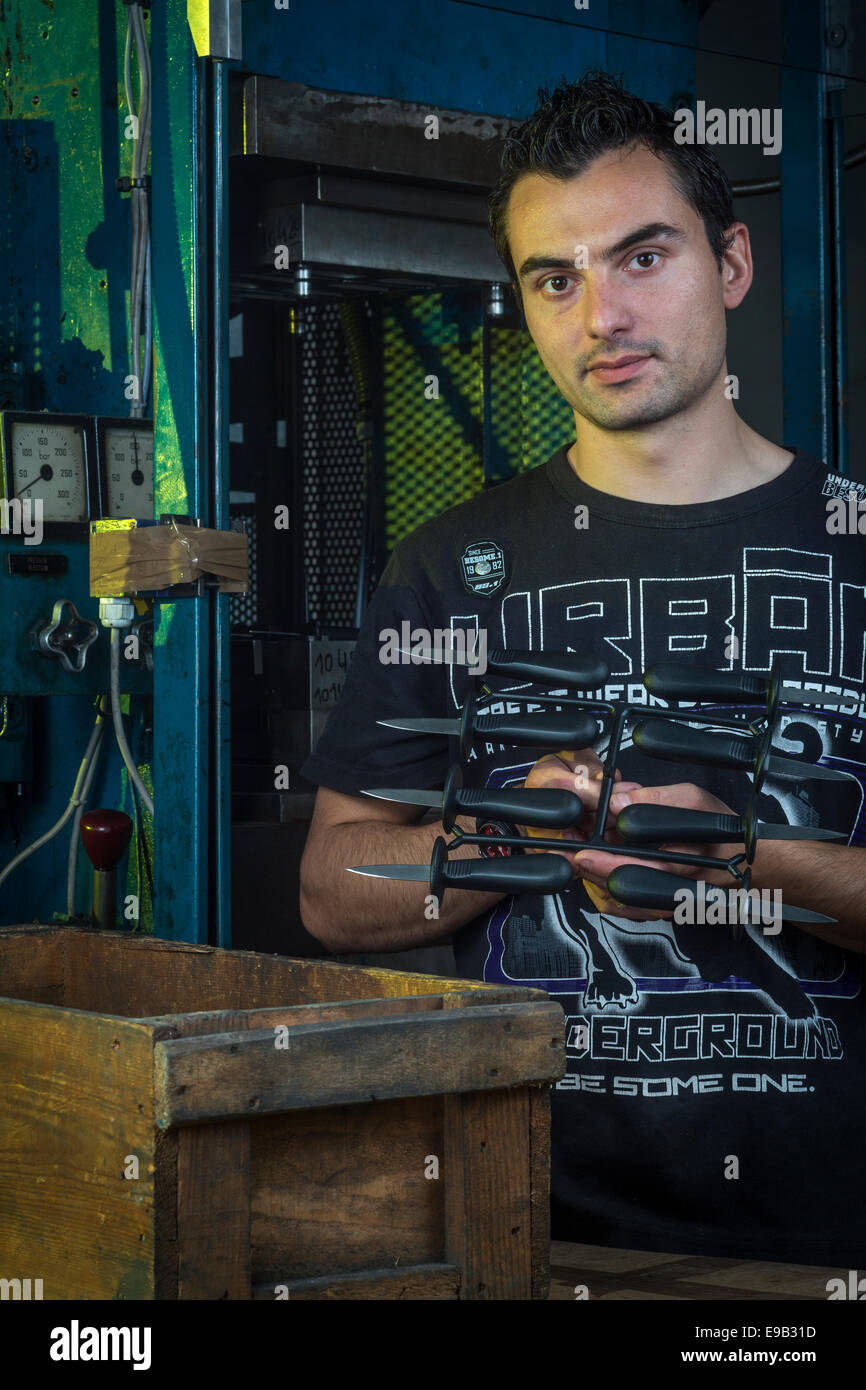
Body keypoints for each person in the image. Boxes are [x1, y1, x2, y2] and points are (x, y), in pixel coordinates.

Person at [299, 69, 866, 1267]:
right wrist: (539, 823)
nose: (597, 314)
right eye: (553, 278)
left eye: (641, 257)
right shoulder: (450, 568)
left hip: (831, 1245)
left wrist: (739, 858)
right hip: (524, 1240)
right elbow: (333, 889)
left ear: (731, 266)